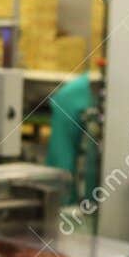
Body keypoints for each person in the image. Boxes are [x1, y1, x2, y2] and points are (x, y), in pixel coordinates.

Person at [45, 71, 99, 205]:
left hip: (84, 93)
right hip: (73, 99)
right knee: (63, 158)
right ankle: (61, 204)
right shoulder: (73, 96)